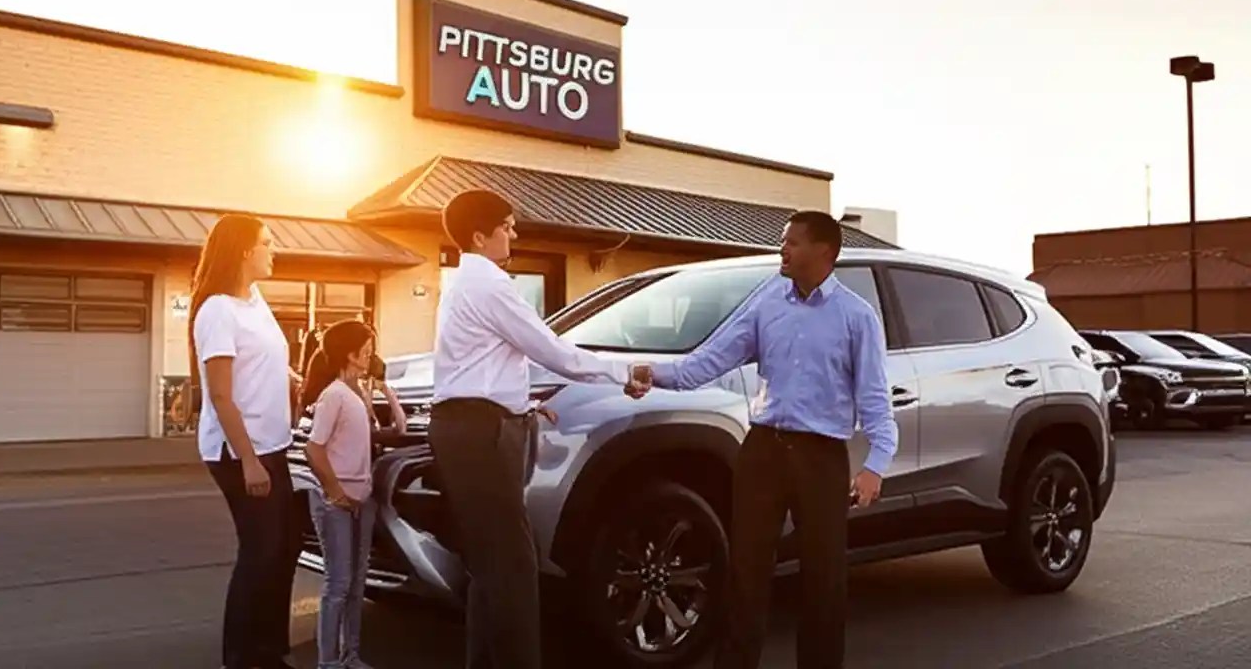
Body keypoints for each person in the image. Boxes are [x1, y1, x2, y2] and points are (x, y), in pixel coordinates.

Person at [636, 210, 898, 669]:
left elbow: (875, 398)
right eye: (784, 240)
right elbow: (707, 361)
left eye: (792, 242)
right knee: (746, 576)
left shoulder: (857, 317)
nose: (783, 248)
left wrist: (875, 463)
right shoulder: (766, 304)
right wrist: (650, 374)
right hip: (763, 452)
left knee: (824, 580)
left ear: (824, 252)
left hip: (821, 458)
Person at [429, 189, 647, 669]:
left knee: (491, 567)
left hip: (470, 427)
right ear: (478, 236)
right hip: (482, 433)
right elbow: (553, 351)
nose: (514, 233)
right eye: (506, 226)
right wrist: (623, 371)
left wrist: (524, 402)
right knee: (512, 565)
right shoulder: (489, 286)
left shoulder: (462, 284)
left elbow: (486, 363)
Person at [188, 213, 299, 669]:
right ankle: (241, 658)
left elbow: (262, 357)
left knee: (287, 542)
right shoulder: (217, 310)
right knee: (260, 550)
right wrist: (249, 460)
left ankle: (270, 649)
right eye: (267, 243)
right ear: (243, 251)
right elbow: (219, 393)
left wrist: (291, 376)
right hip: (239, 451)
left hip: (272, 443)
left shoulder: (254, 299)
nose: (274, 251)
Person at [300, 320, 384, 669]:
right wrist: (335, 492)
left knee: (356, 582)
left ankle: (350, 655)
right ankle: (328, 662)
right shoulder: (333, 395)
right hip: (337, 503)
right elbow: (314, 449)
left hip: (359, 501)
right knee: (338, 583)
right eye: (366, 348)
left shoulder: (355, 394)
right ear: (351, 353)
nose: (371, 354)